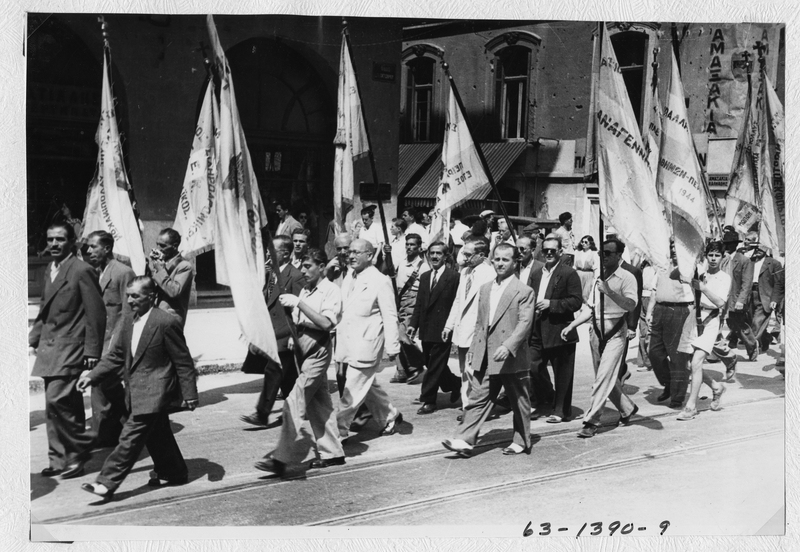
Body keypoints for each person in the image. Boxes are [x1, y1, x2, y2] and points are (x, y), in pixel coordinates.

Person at [77, 276, 198, 501]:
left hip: (156, 390)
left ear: (151, 297)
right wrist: (92, 376)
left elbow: (183, 361)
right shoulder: (128, 321)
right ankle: (175, 471)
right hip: (135, 390)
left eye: (136, 296)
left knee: (129, 437)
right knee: (158, 433)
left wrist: (189, 394)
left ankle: (105, 483)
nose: (130, 300)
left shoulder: (166, 322)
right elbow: (115, 356)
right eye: (128, 295)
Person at [255, 250, 346, 476]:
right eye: (303, 266)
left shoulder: (331, 291)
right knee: (319, 403)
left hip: (318, 349)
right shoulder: (306, 289)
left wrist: (299, 304)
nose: (303, 271)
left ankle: (280, 459)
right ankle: (333, 452)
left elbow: (326, 323)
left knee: (293, 402)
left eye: (308, 266)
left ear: (322, 266)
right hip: (302, 348)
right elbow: (300, 321)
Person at [442, 243, 536, 456]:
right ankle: (464, 440)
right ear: (491, 260)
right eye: (497, 259)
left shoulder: (523, 291)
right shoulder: (485, 288)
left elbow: (525, 323)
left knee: (519, 399)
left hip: (510, 356)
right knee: (478, 398)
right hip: (486, 355)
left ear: (514, 262)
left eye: (506, 259)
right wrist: (474, 349)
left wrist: (508, 345)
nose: (501, 263)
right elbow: (480, 323)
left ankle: (521, 440)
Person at [29, 222, 106, 479]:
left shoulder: (82, 270)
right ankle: (60, 459)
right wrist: (34, 338)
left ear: (72, 242)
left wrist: (93, 350)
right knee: (61, 404)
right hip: (50, 346)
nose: (53, 244)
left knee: (57, 399)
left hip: (71, 346)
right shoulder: (49, 270)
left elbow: (96, 314)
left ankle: (76, 455)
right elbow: (44, 309)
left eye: (60, 240)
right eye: (50, 239)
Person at [562, 237, 639, 438]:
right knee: (604, 378)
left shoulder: (627, 277)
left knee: (604, 376)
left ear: (619, 255)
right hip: (596, 331)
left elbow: (630, 305)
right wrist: (572, 325)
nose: (603, 256)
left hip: (616, 332)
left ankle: (591, 420)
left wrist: (610, 291)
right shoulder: (599, 276)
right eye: (601, 253)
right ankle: (627, 408)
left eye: (608, 253)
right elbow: (591, 307)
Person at [335, 239, 404, 441]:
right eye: (350, 252)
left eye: (357, 252)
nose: (352, 256)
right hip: (347, 342)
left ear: (370, 255)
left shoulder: (380, 280)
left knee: (351, 391)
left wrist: (393, 347)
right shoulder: (349, 276)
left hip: (367, 344)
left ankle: (337, 433)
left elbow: (390, 315)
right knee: (367, 385)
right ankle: (391, 416)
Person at [240, 235, 306, 427]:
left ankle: (262, 413)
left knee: (273, 370)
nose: (269, 253)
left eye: (273, 250)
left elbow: (300, 308)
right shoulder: (271, 275)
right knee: (289, 379)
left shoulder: (295, 276)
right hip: (271, 333)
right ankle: (299, 408)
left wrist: (296, 335)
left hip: (285, 335)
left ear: (285, 254)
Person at [85, 230, 135, 448]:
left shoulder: (123, 273)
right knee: (107, 387)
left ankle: (104, 433)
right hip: (97, 341)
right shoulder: (93, 272)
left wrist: (117, 343)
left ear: (107, 248)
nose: (88, 251)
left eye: (93, 246)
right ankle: (124, 426)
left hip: (114, 341)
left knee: (100, 382)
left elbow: (128, 312)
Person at [527, 235, 583, 423]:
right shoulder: (535, 274)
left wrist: (551, 304)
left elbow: (576, 301)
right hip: (536, 329)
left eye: (553, 250)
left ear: (560, 252)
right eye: (546, 250)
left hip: (560, 330)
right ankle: (542, 400)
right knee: (532, 367)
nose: (549, 253)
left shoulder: (568, 273)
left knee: (563, 374)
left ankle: (561, 410)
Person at [677, 242, 731, 420]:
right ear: (706, 256)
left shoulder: (724, 278)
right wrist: (687, 261)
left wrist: (703, 287)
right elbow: (673, 274)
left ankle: (691, 407)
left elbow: (720, 303)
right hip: (694, 318)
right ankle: (716, 387)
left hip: (710, 320)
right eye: (711, 255)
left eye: (717, 255)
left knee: (696, 363)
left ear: (722, 257)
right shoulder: (700, 272)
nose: (713, 259)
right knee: (688, 364)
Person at [443, 238, 496, 416]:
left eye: (468, 254)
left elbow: (490, 304)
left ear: (481, 255)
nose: (464, 257)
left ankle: (479, 408)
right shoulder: (465, 272)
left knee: (476, 370)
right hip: (462, 329)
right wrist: (449, 325)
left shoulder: (490, 273)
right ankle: (468, 406)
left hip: (478, 330)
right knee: (464, 370)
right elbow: (459, 301)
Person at [408, 242, 462, 414]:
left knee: (434, 365)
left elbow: (457, 304)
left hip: (443, 329)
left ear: (446, 256)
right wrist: (412, 324)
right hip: (426, 328)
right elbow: (419, 304)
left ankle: (429, 399)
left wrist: (452, 326)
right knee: (430, 362)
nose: (435, 257)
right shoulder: (424, 277)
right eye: (432, 253)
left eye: (439, 253)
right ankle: (455, 384)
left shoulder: (454, 277)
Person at [646, 241, 695, 408]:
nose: (674, 253)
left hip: (679, 311)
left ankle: (677, 396)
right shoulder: (662, 267)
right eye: (672, 249)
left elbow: (696, 292)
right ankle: (669, 383)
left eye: (677, 250)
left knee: (677, 357)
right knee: (653, 352)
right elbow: (654, 290)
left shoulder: (689, 267)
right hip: (660, 309)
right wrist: (649, 312)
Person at [392, 233, 430, 383]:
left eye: (413, 245)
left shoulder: (423, 266)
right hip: (400, 300)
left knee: (404, 335)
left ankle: (418, 365)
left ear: (419, 247)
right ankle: (402, 370)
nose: (409, 247)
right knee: (395, 336)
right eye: (407, 244)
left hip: (413, 300)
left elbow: (425, 289)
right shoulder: (402, 263)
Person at [721, 229, 757, 362]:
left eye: (730, 243)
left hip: (736, 299)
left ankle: (752, 346)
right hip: (723, 298)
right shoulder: (722, 259)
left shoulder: (744, 260)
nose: (727, 246)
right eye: (726, 243)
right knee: (730, 324)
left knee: (740, 326)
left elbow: (747, 283)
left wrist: (741, 300)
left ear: (736, 245)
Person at [148, 228, 194, 328]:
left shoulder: (184, 266)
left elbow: (174, 291)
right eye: (157, 244)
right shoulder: (160, 262)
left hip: (171, 318)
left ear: (175, 246)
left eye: (163, 246)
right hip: (156, 316)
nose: (158, 248)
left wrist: (160, 270)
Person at [749, 244, 784, 354]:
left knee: (756, 322)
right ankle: (766, 338)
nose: (758, 250)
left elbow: (779, 284)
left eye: (761, 248)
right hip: (750, 294)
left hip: (765, 296)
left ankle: (752, 348)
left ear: (767, 249)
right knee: (751, 321)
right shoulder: (750, 261)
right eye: (756, 248)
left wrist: (774, 299)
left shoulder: (774, 263)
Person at [574, 235, 600, 301]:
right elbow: (574, 266)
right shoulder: (577, 252)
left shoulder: (594, 253)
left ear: (590, 243)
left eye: (586, 242)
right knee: (577, 294)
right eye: (582, 242)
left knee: (585, 294)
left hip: (589, 275)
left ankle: (586, 309)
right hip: (578, 274)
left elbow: (596, 267)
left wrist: (596, 278)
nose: (583, 244)